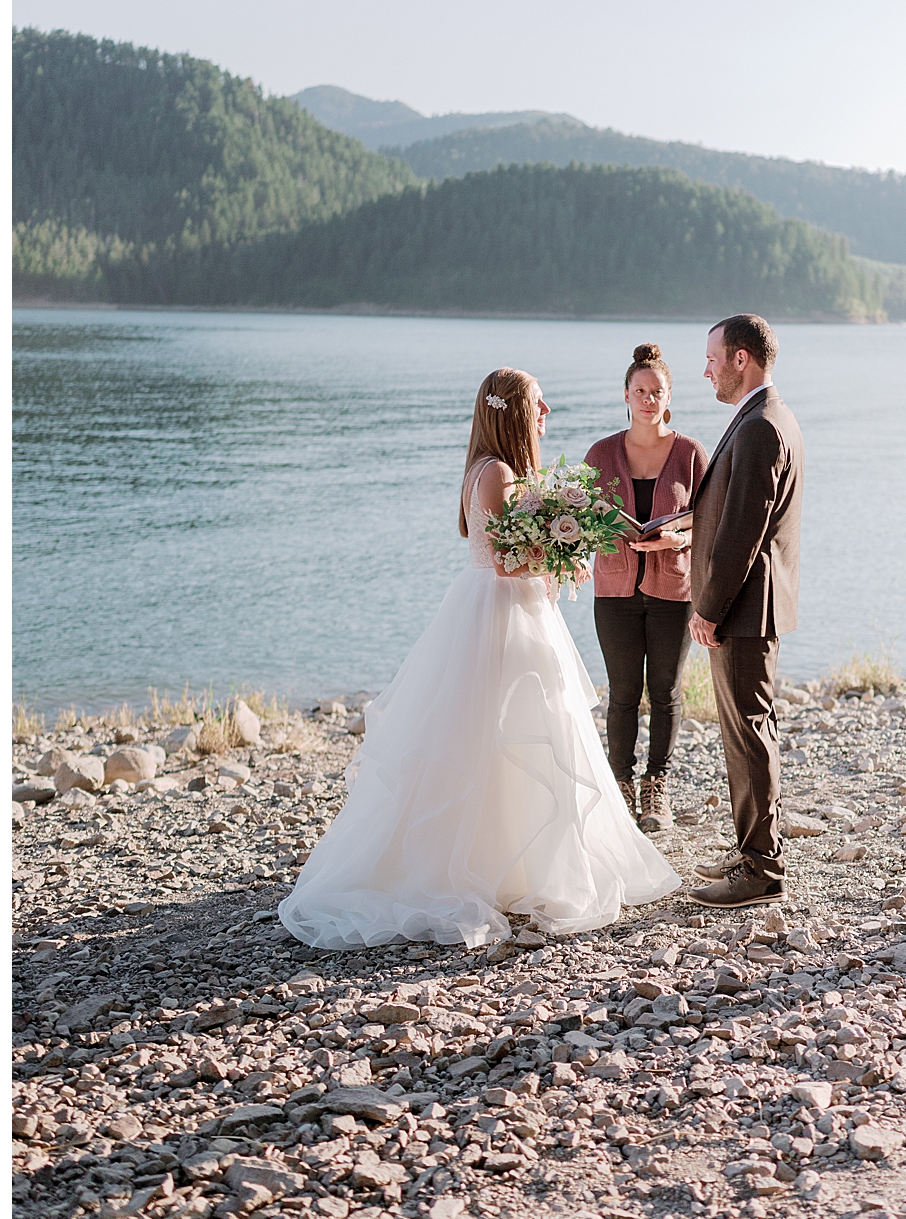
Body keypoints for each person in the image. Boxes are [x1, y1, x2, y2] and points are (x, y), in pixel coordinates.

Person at [279, 367, 681, 950]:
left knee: (526, 735)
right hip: (496, 612)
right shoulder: (494, 473)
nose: (547, 414)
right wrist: (564, 548)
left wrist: (563, 546)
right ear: (515, 410)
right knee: (487, 737)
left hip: (519, 614)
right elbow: (505, 563)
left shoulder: (510, 471)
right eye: (540, 404)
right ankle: (470, 865)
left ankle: (522, 859)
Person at [686, 315, 803, 909]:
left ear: (741, 359)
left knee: (748, 734)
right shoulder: (763, 418)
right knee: (747, 732)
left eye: (712, 358)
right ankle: (753, 849)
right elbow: (726, 516)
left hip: (743, 608)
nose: (705, 369)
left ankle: (761, 868)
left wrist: (707, 607)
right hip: (750, 606)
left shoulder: (760, 427)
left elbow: (743, 533)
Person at [585, 344, 709, 833]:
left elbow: (708, 518)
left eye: (656, 391)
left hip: (673, 588)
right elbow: (581, 514)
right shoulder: (601, 453)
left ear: (669, 396)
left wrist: (680, 536)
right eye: (640, 391)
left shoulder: (691, 453)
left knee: (666, 690)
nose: (648, 399)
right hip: (613, 588)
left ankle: (657, 786)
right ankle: (620, 783)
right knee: (621, 692)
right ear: (626, 395)